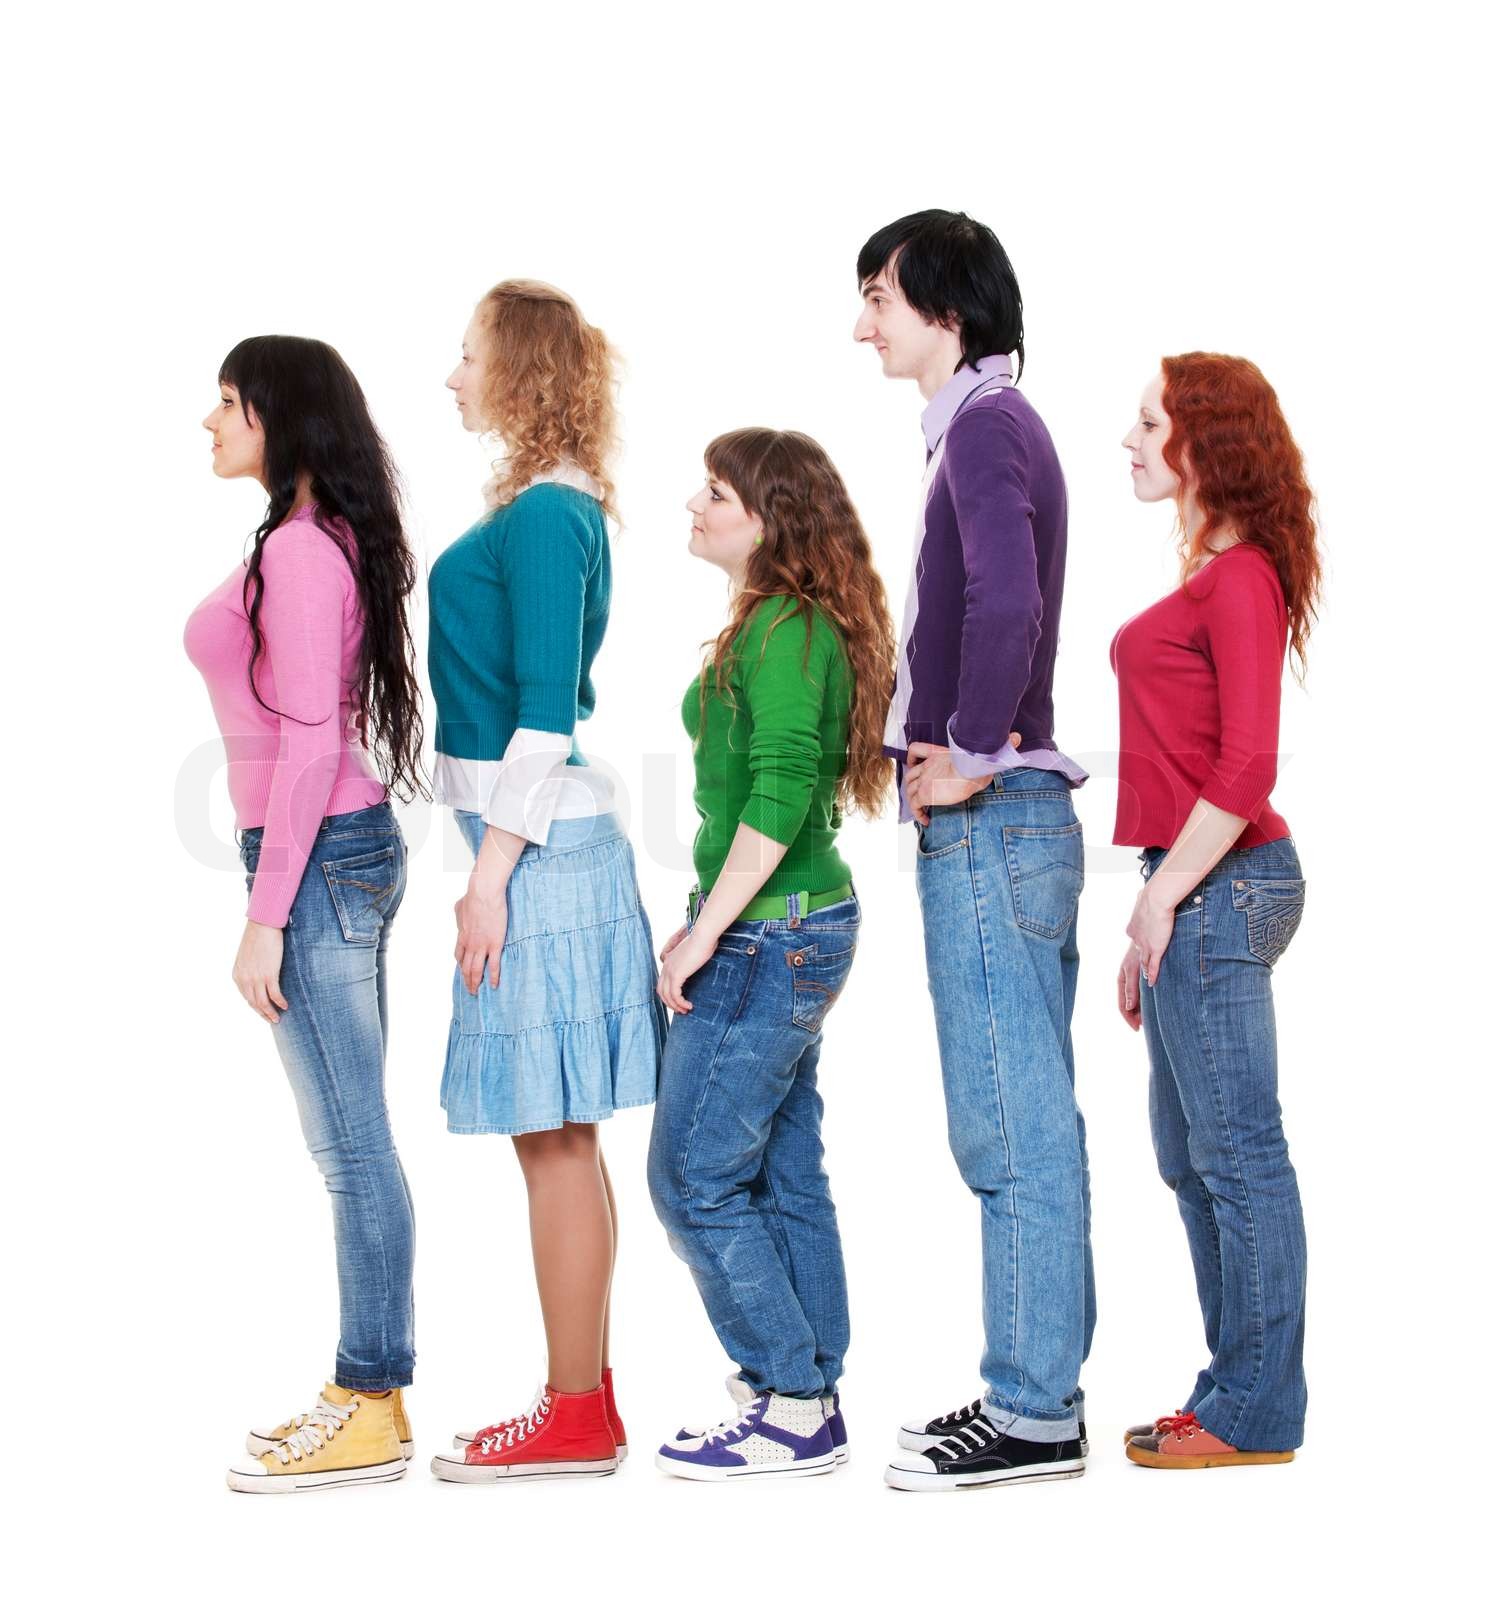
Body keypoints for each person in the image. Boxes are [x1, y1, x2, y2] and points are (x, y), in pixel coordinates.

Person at [855, 210, 1094, 1491]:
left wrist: (965, 747)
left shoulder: (988, 427)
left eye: (878, 298)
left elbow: (1007, 597)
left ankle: (1031, 1412)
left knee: (1011, 1129)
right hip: (1002, 832)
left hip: (993, 826)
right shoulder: (981, 428)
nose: (862, 324)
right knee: (1018, 1120)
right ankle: (1030, 1393)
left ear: (944, 309)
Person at [424, 280, 665, 1485]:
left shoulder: (543, 517)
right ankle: (585, 1399)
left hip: (540, 856)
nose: (453, 378)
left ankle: (577, 1410)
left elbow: (534, 722)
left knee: (553, 1142)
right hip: (540, 847)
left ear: (517, 371)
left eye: (468, 358)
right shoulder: (548, 510)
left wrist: (489, 882)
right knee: (560, 1139)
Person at [186, 336, 425, 1492]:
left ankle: (369, 1398)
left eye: (230, 402)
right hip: (334, 850)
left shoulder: (297, 548)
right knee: (351, 1139)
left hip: (316, 860)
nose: (211, 420)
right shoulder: (312, 540)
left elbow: (307, 745)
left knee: (349, 1148)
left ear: (280, 414)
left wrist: (264, 912)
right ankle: (360, 1392)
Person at [646, 428, 896, 1481]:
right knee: (783, 1167)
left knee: (690, 1176)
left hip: (771, 931)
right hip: (777, 923)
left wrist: (707, 933)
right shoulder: (770, 624)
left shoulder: (787, 629)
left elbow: (783, 790)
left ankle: (791, 1398)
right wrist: (703, 911)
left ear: (767, 515)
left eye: (716, 491)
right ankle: (806, 1386)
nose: (694, 504)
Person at [1114, 353, 1320, 1468]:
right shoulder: (1211, 578)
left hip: (1222, 882)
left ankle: (1253, 1408)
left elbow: (1244, 768)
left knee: (1236, 1153)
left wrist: (1156, 899)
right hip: (1192, 882)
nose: (1132, 442)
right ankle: (1231, 1385)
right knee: (1189, 1154)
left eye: (1149, 425)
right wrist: (1149, 906)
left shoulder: (1238, 579)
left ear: (1205, 441)